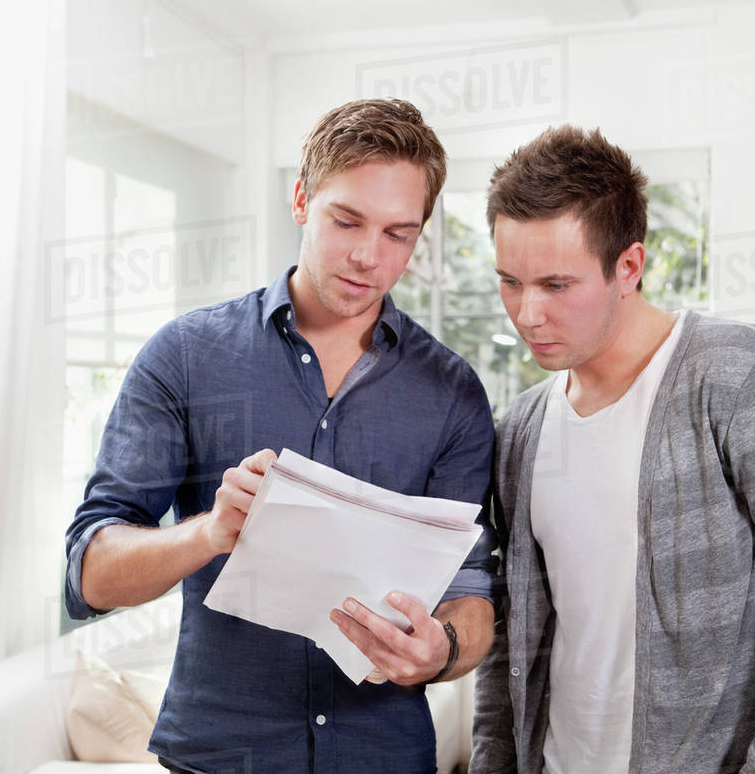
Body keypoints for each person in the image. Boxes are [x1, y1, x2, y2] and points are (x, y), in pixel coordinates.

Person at [64, 99, 497, 774]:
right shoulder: (184, 357)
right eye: (346, 219)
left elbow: (470, 590)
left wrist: (441, 650)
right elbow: (90, 574)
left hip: (384, 757)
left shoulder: (454, 394)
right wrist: (209, 532)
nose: (367, 255)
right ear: (300, 198)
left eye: (398, 235)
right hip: (218, 756)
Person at [470, 126, 755, 774]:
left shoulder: (746, 380)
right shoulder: (521, 428)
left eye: (555, 284)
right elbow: (511, 633)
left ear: (628, 266)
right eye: (509, 282)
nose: (527, 313)